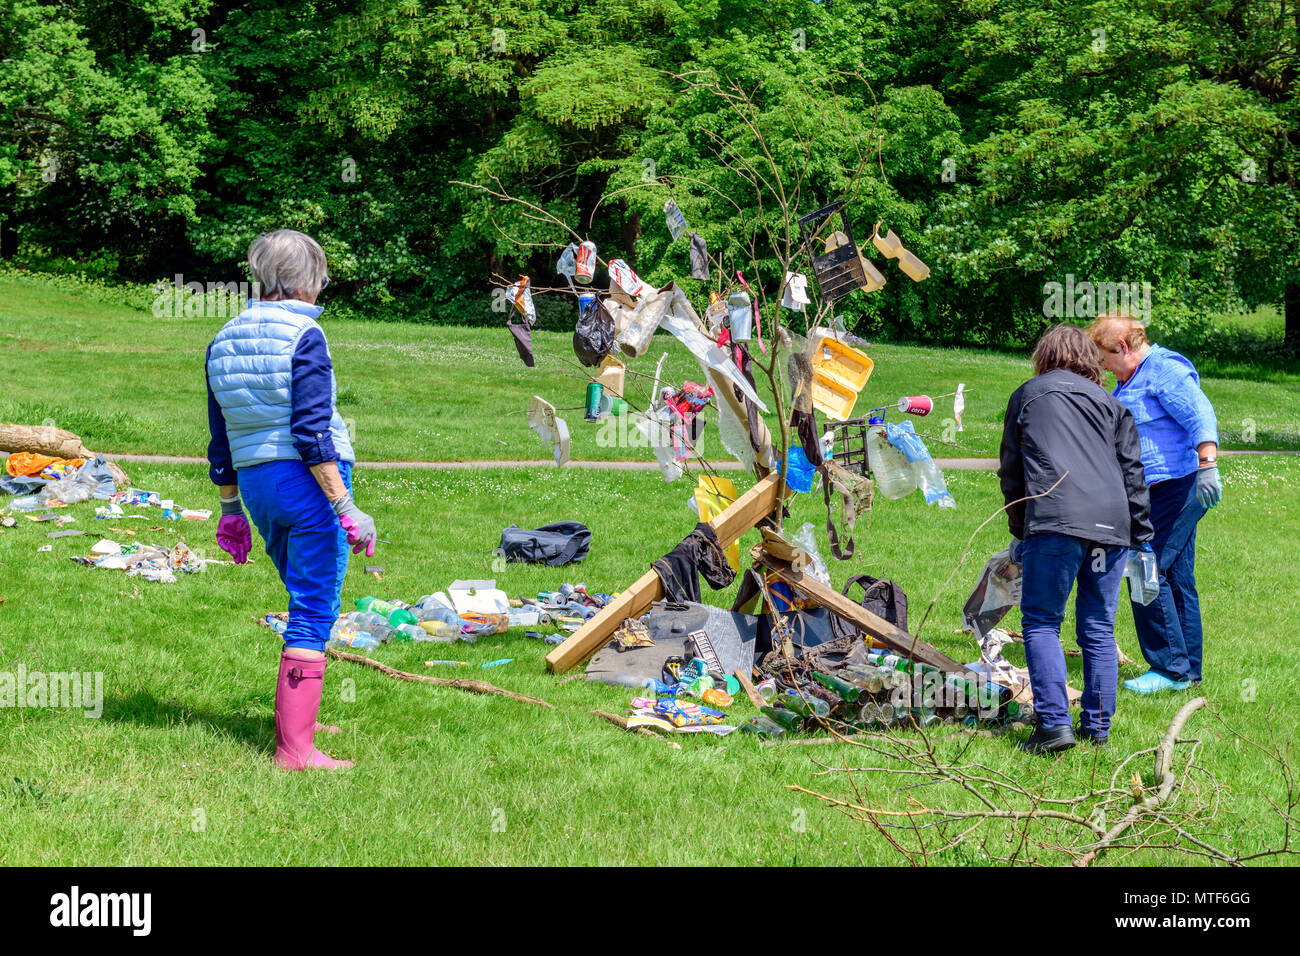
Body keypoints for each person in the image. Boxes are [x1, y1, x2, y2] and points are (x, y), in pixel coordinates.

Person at [207, 229, 378, 771]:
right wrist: (344, 505)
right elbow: (311, 431)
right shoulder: (306, 335)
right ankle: (295, 751)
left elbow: (220, 434)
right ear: (307, 279)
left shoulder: (223, 338)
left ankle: (298, 717)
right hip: (308, 484)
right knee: (313, 610)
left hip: (258, 486)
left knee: (303, 595)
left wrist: (230, 508)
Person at [999, 325, 1153, 753]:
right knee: (1099, 626)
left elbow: (1012, 473)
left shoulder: (1028, 395)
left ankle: (1052, 725)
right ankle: (1097, 729)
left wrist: (1021, 531)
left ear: (1044, 357)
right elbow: (1133, 476)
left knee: (1042, 621)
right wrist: (1141, 537)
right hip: (1113, 526)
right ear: (1090, 360)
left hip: (1055, 521)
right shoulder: (1112, 404)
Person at [1088, 313, 1221, 694]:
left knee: (1144, 570)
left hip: (1177, 488)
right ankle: (1187, 670)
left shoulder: (1163, 371)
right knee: (1176, 576)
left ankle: (1169, 669)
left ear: (1124, 348)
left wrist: (1208, 464)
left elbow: (1200, 414)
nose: (1104, 368)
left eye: (1105, 359)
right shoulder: (1130, 378)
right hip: (1159, 490)